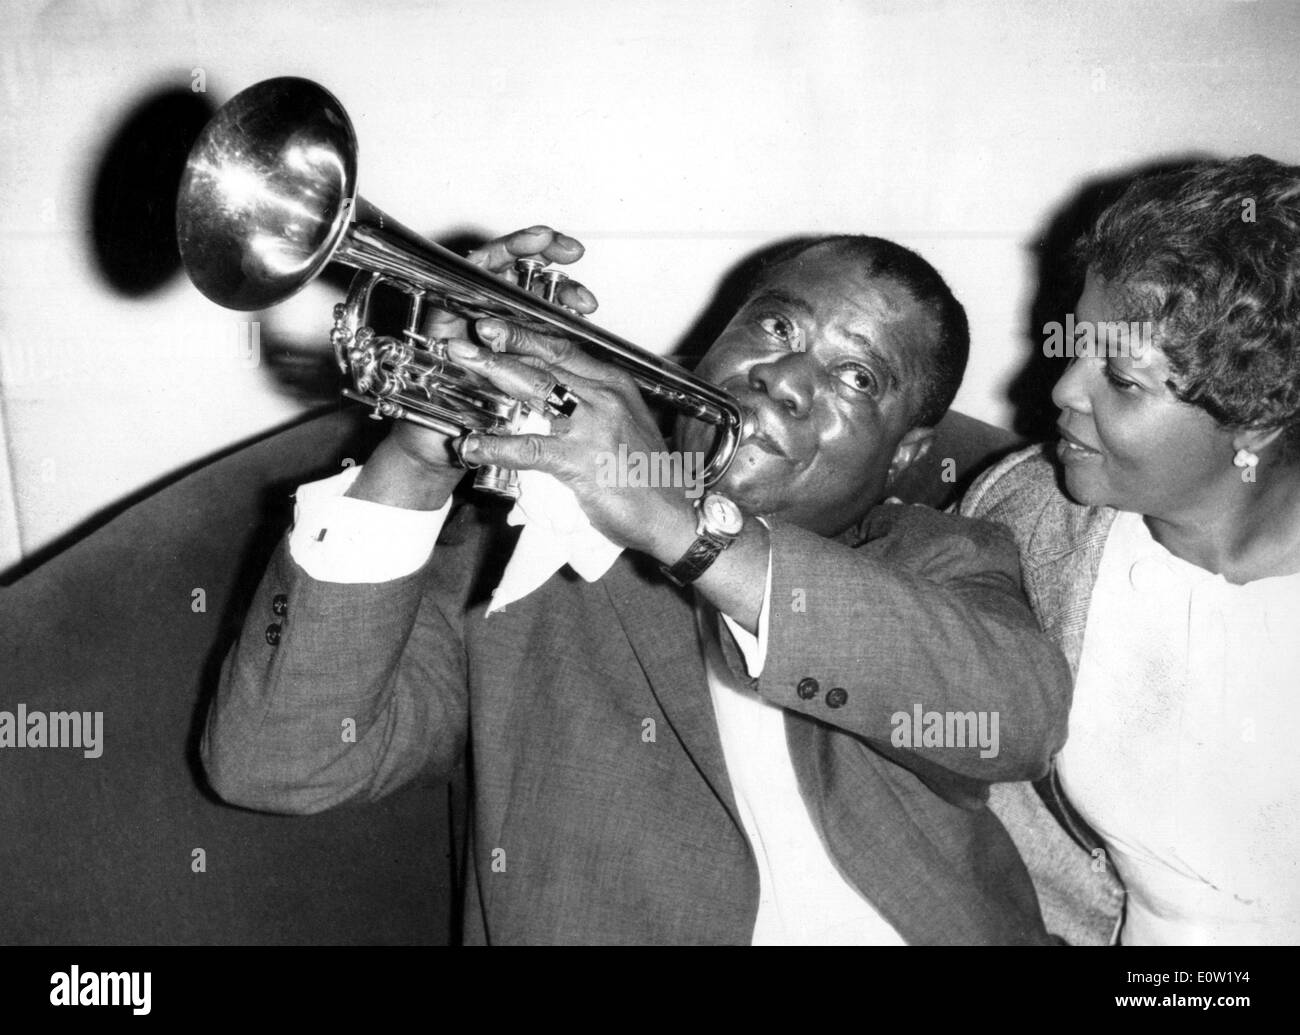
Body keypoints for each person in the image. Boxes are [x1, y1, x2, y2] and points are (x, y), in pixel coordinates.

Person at [202, 228, 1072, 945]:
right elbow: (279, 763)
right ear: (711, 346)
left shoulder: (940, 557)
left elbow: (1015, 716)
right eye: (773, 329)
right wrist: (423, 449)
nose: (787, 379)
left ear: (908, 452)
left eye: (857, 377)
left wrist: (682, 525)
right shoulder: (510, 566)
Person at [963, 154, 1300, 945]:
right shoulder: (1030, 513)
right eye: (1077, 346)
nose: (1062, 391)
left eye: (1120, 376)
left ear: (1257, 419)